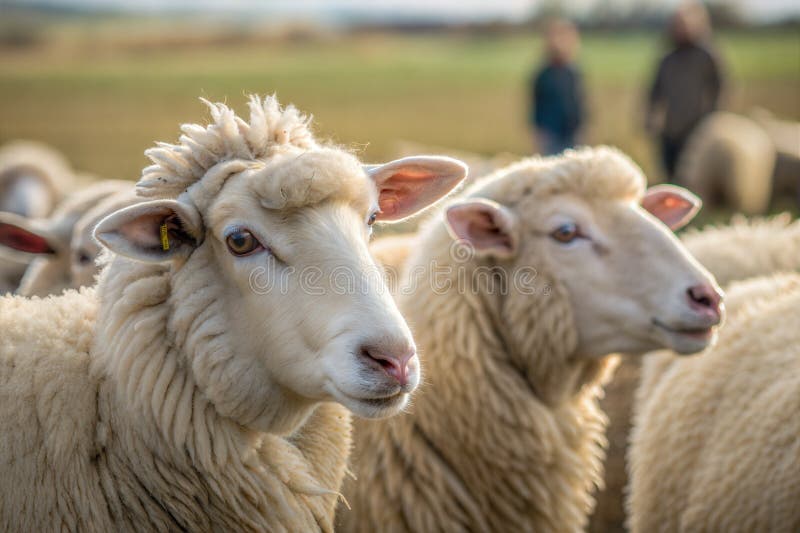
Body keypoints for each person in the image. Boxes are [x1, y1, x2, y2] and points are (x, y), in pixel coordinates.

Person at [646, 1, 724, 181]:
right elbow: (655, 91)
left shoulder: (707, 55)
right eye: (677, 24)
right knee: (670, 173)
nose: (680, 29)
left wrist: (713, 116)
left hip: (697, 128)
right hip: (670, 128)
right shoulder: (667, 58)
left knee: (693, 176)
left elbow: (721, 86)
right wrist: (651, 116)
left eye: (684, 24)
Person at [530, 19, 585, 156]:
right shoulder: (543, 74)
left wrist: (582, 126)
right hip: (550, 134)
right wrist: (539, 133)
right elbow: (536, 105)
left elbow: (579, 101)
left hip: (572, 133)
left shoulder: (573, 73)